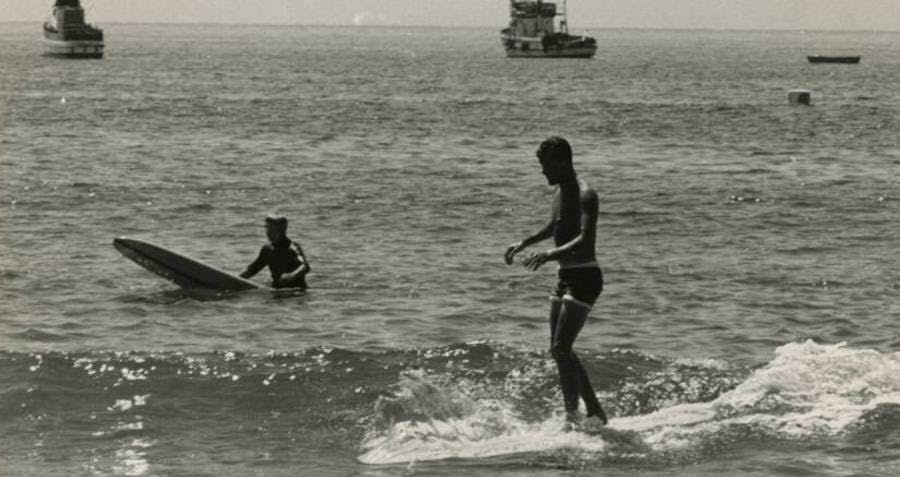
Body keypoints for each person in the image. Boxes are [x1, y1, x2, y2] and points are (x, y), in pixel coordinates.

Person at [504, 136, 608, 428]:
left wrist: (549, 254)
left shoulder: (587, 194)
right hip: (564, 277)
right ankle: (594, 411)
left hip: (585, 276)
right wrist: (525, 242)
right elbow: (555, 227)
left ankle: (572, 417)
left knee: (561, 349)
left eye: (546, 165)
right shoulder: (559, 193)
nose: (543, 172)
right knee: (560, 348)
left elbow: (585, 238)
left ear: (563, 162)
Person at [240, 215, 310, 289]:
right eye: (267, 228)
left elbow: (305, 267)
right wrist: (236, 279)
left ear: (282, 230)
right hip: (277, 292)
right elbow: (252, 270)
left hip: (296, 292)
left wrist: (291, 276)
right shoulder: (267, 249)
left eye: (271, 229)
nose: (268, 232)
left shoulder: (293, 247)